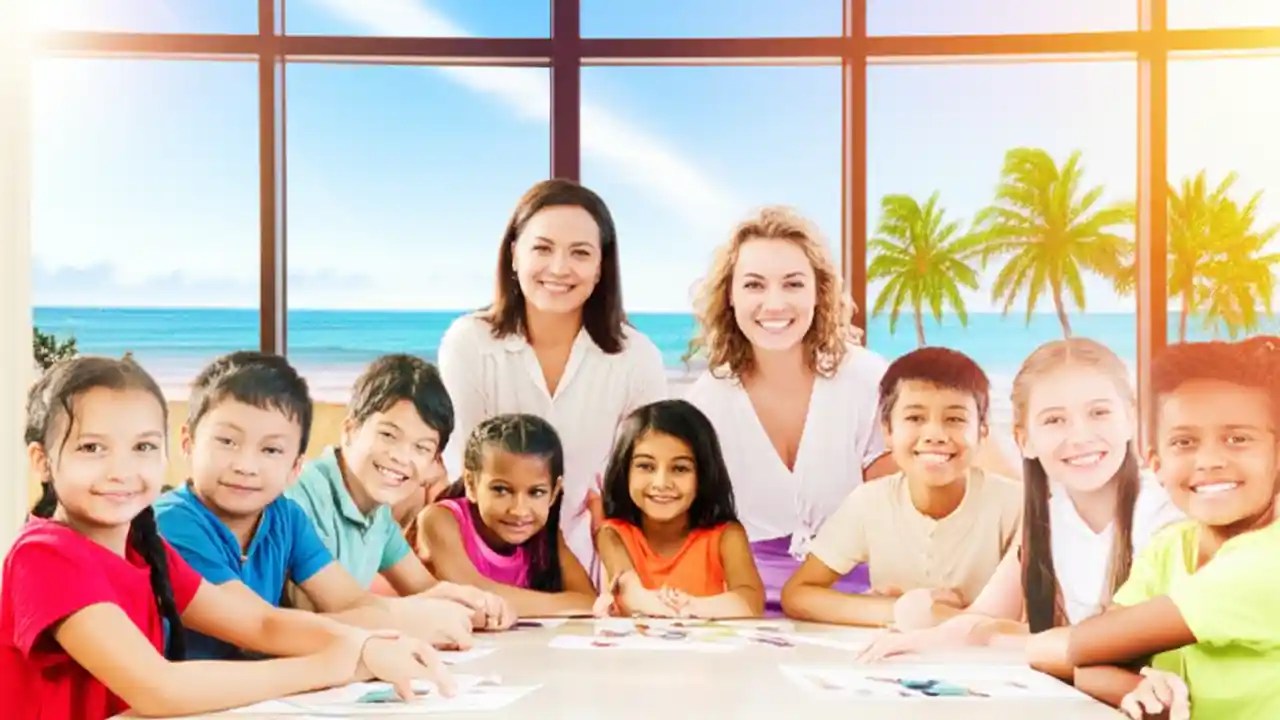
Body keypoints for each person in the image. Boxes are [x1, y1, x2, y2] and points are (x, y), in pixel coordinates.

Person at [0, 356, 453, 720]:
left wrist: (367, 646)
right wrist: (330, 665)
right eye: (92, 448)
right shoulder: (45, 556)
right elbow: (159, 688)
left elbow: (261, 623)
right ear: (42, 461)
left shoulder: (143, 546)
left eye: (142, 447)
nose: (121, 470)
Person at [154, 351, 495, 661]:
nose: (246, 465)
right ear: (188, 442)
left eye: (270, 450)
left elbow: (350, 602)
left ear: (294, 466)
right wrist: (404, 621)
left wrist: (432, 611)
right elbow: (259, 631)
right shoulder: (172, 522)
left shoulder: (285, 517)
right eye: (227, 442)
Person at [856, 338, 1182, 661]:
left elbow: (1114, 644)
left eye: (1099, 412)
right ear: (1024, 440)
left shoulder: (1165, 519)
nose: (1081, 435)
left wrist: (991, 637)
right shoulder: (1049, 518)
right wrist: (920, 639)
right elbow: (982, 615)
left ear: (1130, 420)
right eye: (1055, 420)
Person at [1039, 339, 1280, 720]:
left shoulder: (1269, 563)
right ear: (1156, 462)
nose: (1211, 461)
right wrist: (1139, 688)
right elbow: (1089, 660)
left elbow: (1078, 646)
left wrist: (1108, 670)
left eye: (1238, 439)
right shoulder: (1169, 547)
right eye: (1184, 442)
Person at [437, 179, 668, 575]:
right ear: (514, 254)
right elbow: (465, 469)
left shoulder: (637, 358)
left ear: (601, 268)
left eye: (580, 253)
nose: (559, 268)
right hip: (489, 561)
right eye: (542, 248)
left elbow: (644, 481)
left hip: (597, 568)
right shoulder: (469, 343)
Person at [683, 205, 894, 613]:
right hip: (742, 605)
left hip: (855, 604)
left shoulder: (868, 380)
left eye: (793, 284)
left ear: (819, 291)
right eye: (755, 285)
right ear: (730, 295)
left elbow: (899, 510)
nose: (774, 303)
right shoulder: (705, 402)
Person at [781, 347, 1022, 627]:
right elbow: (798, 594)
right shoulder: (870, 503)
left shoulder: (1013, 505)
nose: (935, 435)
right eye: (915, 418)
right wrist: (899, 610)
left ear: (982, 432)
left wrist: (941, 620)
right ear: (887, 431)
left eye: (955, 419)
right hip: (894, 658)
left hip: (986, 659)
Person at [285, 355, 514, 629]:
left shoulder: (377, 513)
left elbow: (425, 588)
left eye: (422, 447)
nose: (401, 457)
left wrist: (483, 604)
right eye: (388, 435)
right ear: (349, 430)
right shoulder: (300, 497)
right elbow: (318, 614)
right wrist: (423, 614)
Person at [595, 399, 764, 618]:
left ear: (703, 474)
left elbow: (750, 603)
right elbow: (631, 595)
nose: (661, 483)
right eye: (646, 466)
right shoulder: (612, 534)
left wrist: (692, 607)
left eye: (680, 468)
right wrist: (664, 606)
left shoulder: (726, 536)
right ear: (624, 471)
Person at [417, 414, 597, 616]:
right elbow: (471, 596)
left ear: (554, 492)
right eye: (501, 490)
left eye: (536, 492)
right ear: (471, 483)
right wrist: (560, 604)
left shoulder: (545, 538)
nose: (519, 510)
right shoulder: (441, 520)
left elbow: (589, 602)